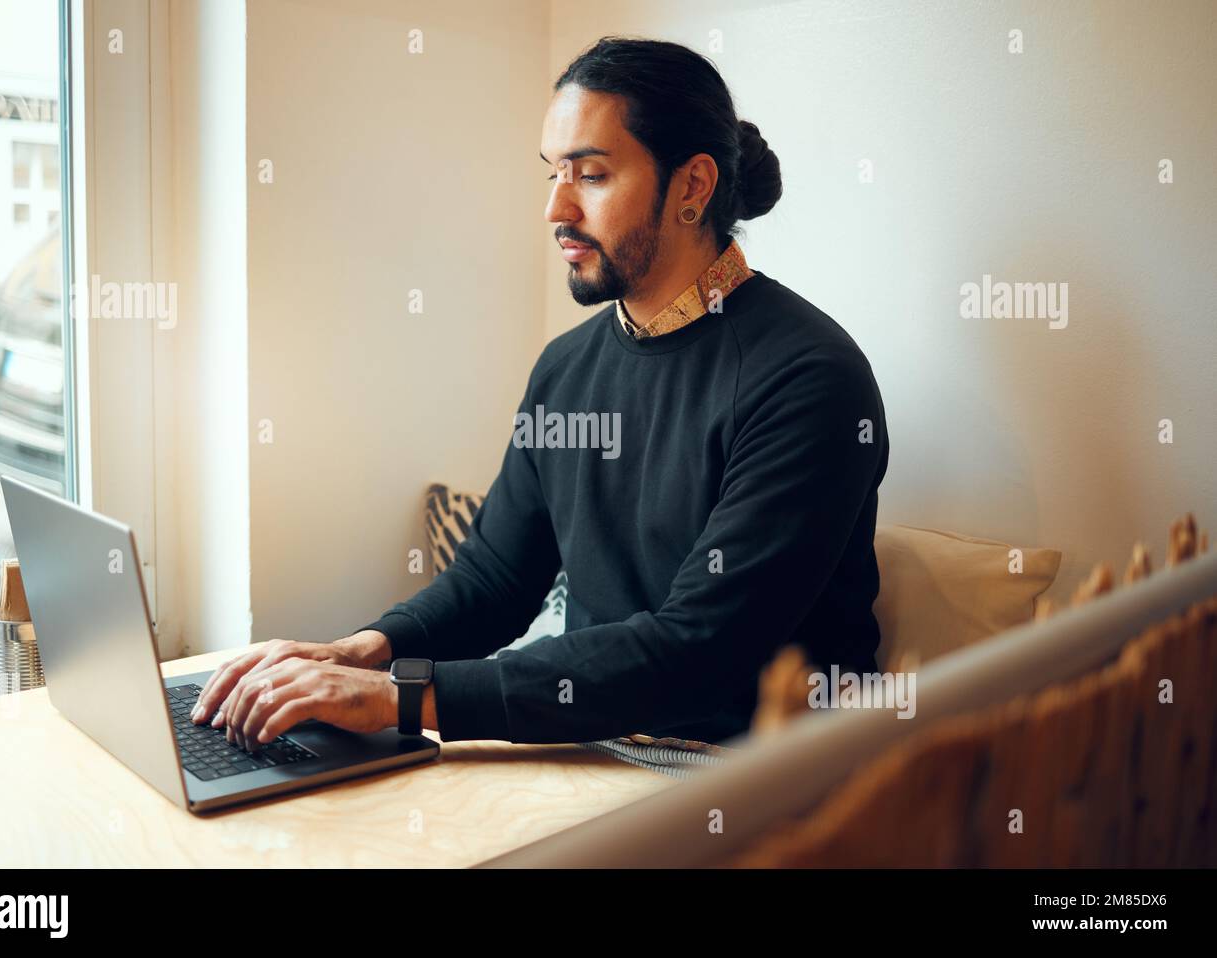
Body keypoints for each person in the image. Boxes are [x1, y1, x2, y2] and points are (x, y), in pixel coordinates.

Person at [192, 36, 889, 751]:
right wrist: (359, 652)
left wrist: (398, 698)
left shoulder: (808, 379)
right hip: (589, 744)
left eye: (590, 174)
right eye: (553, 174)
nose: (557, 208)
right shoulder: (567, 368)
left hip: (749, 777)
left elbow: (698, 651)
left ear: (692, 187)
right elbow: (496, 580)